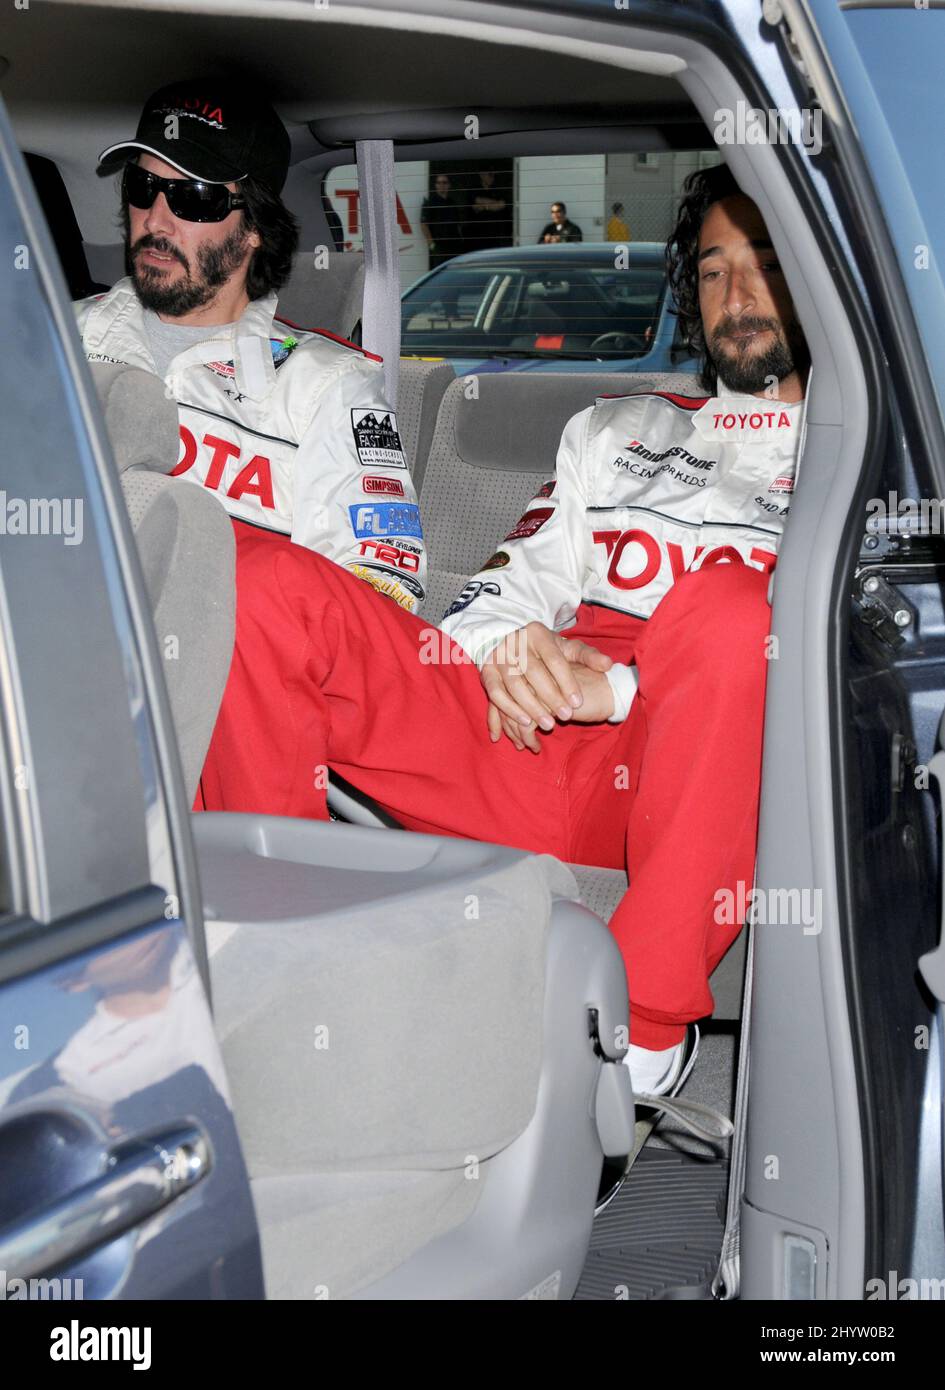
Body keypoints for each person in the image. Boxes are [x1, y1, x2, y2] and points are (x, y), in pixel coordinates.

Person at [198, 164, 809, 1096]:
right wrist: (506, 649)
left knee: (730, 605)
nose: (736, 295)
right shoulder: (616, 427)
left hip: (677, 766)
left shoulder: (859, 464)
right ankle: (271, 953)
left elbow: (847, 666)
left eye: (762, 263)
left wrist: (624, 691)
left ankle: (640, 1028)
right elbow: (501, 587)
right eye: (715, 268)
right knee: (265, 578)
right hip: (520, 730)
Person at [74, 78, 426, 614]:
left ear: (255, 226)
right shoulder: (51, 340)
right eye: (143, 188)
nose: (157, 220)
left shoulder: (328, 387)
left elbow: (381, 591)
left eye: (196, 198)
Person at [420, 173, 464, 269]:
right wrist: (432, 245)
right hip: (439, 248)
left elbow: (458, 225)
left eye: (444, 182)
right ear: (435, 185)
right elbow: (424, 225)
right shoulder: (430, 203)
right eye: (438, 183)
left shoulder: (452, 203)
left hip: (454, 247)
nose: (441, 185)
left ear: (449, 185)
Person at [464, 169, 513, 252]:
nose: (492, 178)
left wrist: (484, 206)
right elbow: (477, 201)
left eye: (494, 175)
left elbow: (502, 205)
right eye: (490, 174)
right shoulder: (473, 190)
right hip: (477, 238)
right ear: (481, 175)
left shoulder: (498, 191)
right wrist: (495, 204)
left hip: (495, 237)